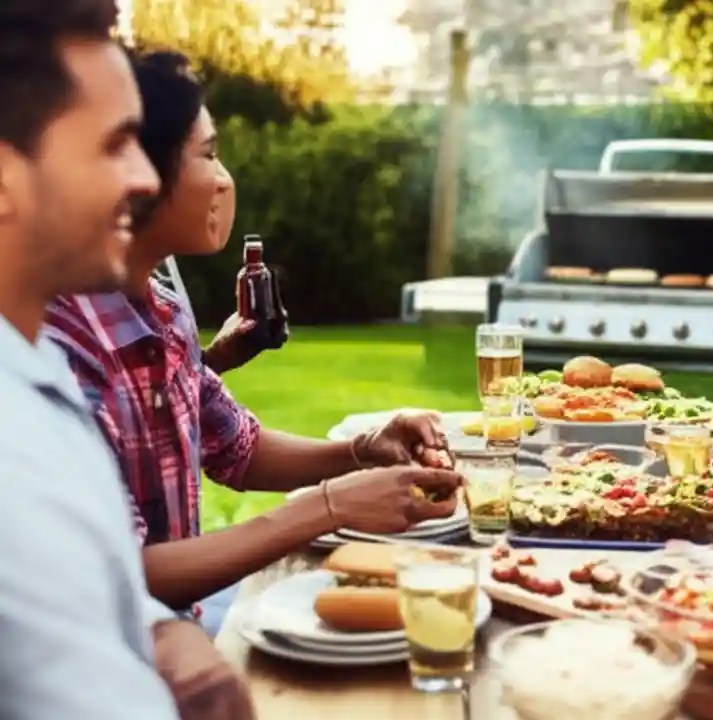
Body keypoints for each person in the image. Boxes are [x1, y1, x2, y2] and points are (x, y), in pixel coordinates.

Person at [44, 50, 463, 628]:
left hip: (176, 631)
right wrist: (330, 506)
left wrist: (364, 449)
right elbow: (126, 573)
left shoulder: (162, 312)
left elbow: (236, 448)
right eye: (209, 155)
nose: (223, 180)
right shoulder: (63, 345)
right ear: (139, 175)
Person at [0, 1, 247, 717]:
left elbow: (83, 576)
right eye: (114, 146)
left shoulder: (34, 368)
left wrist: (162, 633)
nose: (146, 181)